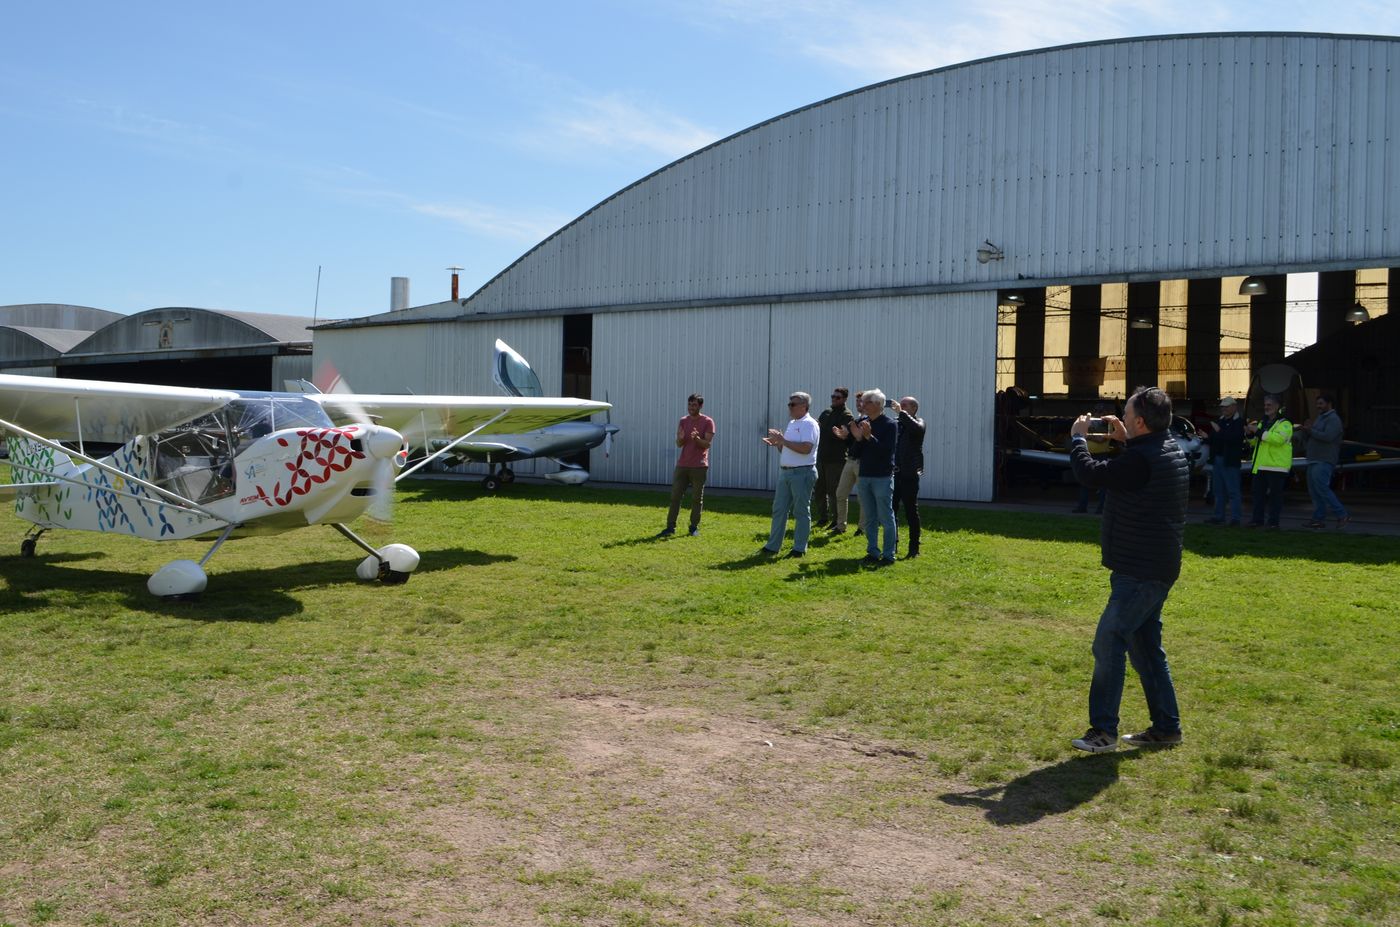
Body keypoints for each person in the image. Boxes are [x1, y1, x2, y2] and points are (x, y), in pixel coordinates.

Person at [1068, 386, 1189, 753]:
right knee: (1147, 651)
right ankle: (1167, 728)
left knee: (1109, 641)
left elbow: (1090, 474)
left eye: (1126, 412)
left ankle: (1103, 732)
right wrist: (1126, 443)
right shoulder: (1168, 449)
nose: (1120, 416)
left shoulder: (1143, 459)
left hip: (1140, 571)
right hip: (1156, 566)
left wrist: (1077, 439)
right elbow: (1135, 475)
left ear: (1138, 421)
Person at [761, 392, 820, 557]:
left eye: (793, 404)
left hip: (802, 472)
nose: (790, 406)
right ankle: (773, 546)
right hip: (787, 472)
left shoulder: (809, 424)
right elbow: (787, 448)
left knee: (800, 511)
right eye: (789, 403)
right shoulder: (793, 423)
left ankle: (799, 548)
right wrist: (778, 443)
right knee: (779, 509)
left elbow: (806, 448)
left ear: (804, 406)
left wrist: (784, 441)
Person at [849, 389, 899, 565]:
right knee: (870, 517)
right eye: (862, 402)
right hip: (864, 476)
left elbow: (886, 452)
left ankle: (888, 555)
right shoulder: (864, 422)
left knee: (885, 516)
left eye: (866, 402)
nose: (862, 405)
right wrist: (858, 438)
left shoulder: (890, 424)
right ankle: (872, 551)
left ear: (878, 404)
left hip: (882, 477)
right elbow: (855, 453)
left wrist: (869, 437)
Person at [658, 394, 715, 537]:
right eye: (689, 405)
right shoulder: (683, 421)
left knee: (696, 498)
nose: (691, 408)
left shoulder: (708, 422)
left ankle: (693, 527)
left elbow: (707, 444)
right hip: (682, 465)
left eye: (694, 405)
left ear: (700, 406)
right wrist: (681, 439)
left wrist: (696, 439)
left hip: (699, 466)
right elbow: (679, 444)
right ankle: (670, 527)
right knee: (675, 496)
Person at [1297, 393, 1349, 529]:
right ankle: (1318, 519)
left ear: (1329, 403)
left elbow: (1328, 437)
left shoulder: (1333, 420)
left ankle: (1342, 514)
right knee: (1315, 491)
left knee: (1322, 489)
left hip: (1324, 460)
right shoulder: (1321, 418)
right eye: (1317, 404)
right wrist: (1307, 430)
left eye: (1321, 403)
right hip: (1314, 459)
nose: (1318, 406)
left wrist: (1310, 430)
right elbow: (1315, 435)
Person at [1246, 394, 1292, 529]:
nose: (1266, 407)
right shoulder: (1263, 422)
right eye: (1265, 404)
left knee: (1275, 497)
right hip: (1261, 465)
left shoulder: (1285, 423)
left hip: (1276, 467)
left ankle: (1273, 523)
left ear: (1277, 406)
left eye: (1269, 405)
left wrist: (1258, 432)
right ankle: (1257, 520)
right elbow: (1256, 442)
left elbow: (1278, 440)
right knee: (1258, 496)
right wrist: (1249, 434)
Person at [814, 388, 855, 528]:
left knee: (834, 491)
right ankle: (822, 517)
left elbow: (844, 435)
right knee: (819, 489)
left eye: (837, 397)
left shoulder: (847, 415)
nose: (834, 399)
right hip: (822, 457)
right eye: (833, 396)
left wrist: (823, 428)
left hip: (836, 460)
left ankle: (836, 520)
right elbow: (818, 430)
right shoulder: (826, 413)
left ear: (844, 399)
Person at [891, 395, 925, 558]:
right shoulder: (897, 424)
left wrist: (901, 413)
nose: (901, 407)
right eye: (900, 405)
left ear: (914, 408)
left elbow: (915, 429)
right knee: (891, 510)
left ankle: (914, 547)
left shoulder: (919, 423)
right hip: (894, 474)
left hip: (910, 473)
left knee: (911, 511)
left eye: (905, 405)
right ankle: (892, 545)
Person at [1203, 397, 1245, 526]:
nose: (1224, 409)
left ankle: (1235, 519)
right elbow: (1215, 439)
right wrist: (1206, 438)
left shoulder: (1239, 423)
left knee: (1233, 491)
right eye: (1222, 407)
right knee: (1218, 490)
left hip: (1230, 461)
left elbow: (1234, 440)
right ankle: (1218, 516)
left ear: (1234, 407)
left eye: (1226, 407)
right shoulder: (1220, 421)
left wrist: (1219, 431)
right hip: (1218, 459)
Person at [829, 391, 865, 534]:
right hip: (850, 461)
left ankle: (862, 528)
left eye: (861, 401)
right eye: (857, 401)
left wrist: (854, 437)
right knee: (840, 493)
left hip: (863, 463)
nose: (858, 404)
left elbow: (867, 443)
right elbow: (853, 443)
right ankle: (840, 526)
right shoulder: (856, 420)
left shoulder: (872, 421)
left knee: (862, 498)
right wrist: (844, 437)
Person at [1073, 403, 1114, 514]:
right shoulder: (1089, 423)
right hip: (1089, 454)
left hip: (1101, 455)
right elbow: (1082, 434)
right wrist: (1089, 435)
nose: (1098, 413)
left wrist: (1088, 436)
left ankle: (1101, 509)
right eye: (1097, 411)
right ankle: (1082, 507)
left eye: (1101, 411)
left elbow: (1101, 439)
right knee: (1084, 482)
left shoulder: (1108, 425)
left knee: (1103, 484)